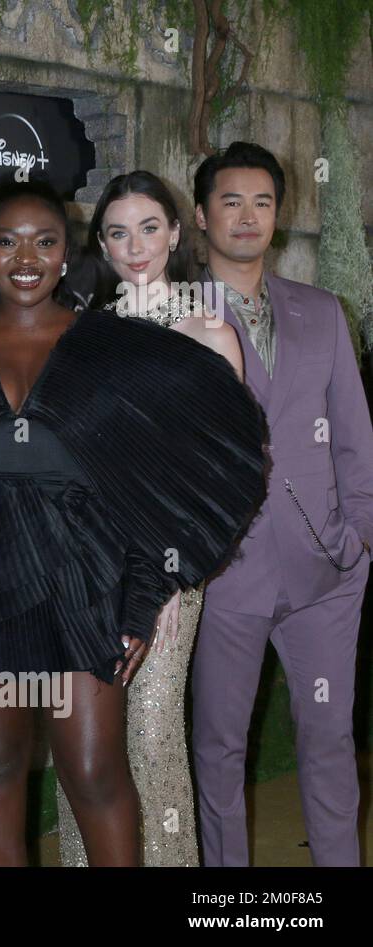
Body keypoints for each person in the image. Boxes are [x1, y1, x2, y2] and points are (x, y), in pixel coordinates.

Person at [0, 177, 267, 866]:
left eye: (45, 242)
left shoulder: (111, 349)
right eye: (7, 241)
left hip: (83, 590)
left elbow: (150, 485)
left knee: (96, 773)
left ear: (67, 257)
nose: (26, 257)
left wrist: (139, 601)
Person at [190, 142, 373, 867]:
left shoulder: (324, 314)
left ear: (279, 216)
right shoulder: (168, 316)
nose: (247, 216)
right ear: (201, 216)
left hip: (326, 576)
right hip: (224, 575)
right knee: (219, 749)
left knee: (329, 741)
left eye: (262, 202)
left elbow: (356, 440)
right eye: (231, 201)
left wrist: (358, 536)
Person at [55, 171, 245, 867]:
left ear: (175, 232)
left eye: (148, 228)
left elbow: (224, 478)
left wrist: (170, 577)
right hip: (83, 567)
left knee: (152, 736)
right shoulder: (81, 336)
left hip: (168, 568)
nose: (134, 246)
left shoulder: (209, 333)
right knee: (83, 745)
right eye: (116, 232)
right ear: (101, 243)